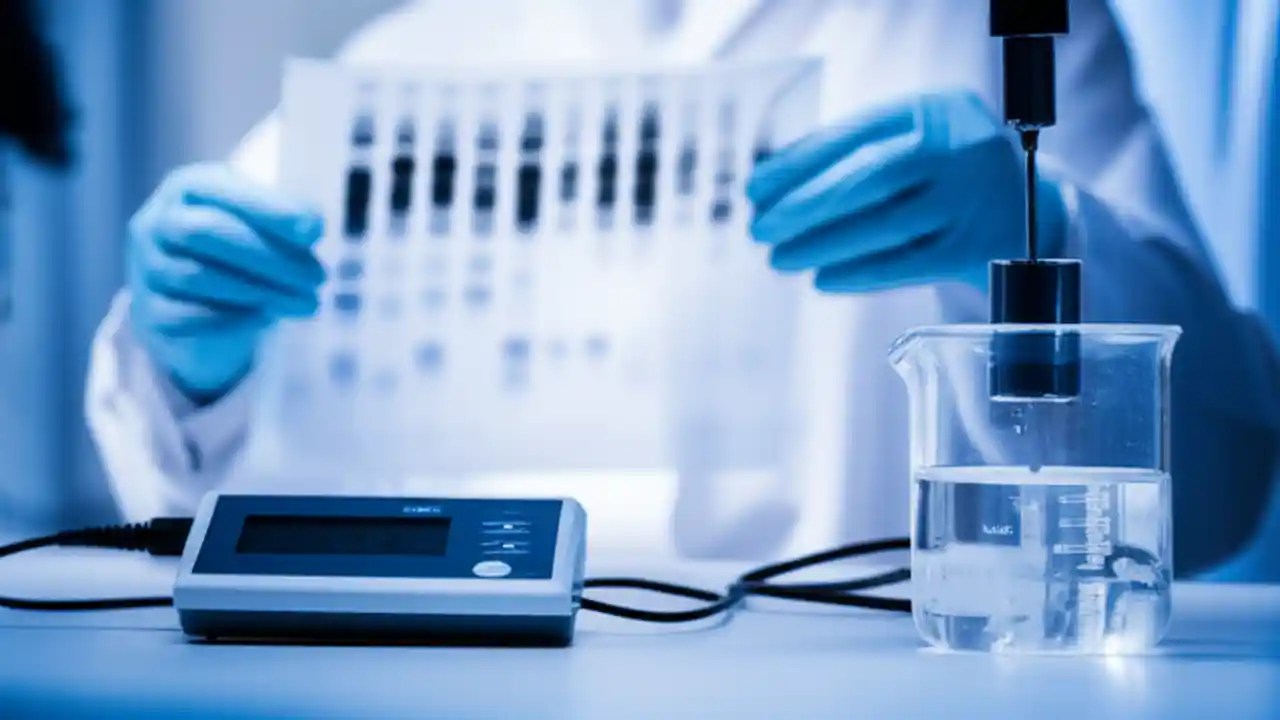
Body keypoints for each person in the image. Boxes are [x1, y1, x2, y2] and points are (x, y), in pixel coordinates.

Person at [87, 0, 1280, 575]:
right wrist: (190, 357)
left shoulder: (973, 27)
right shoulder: (409, 57)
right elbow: (204, 509)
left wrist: (1031, 231)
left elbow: (1213, 486)